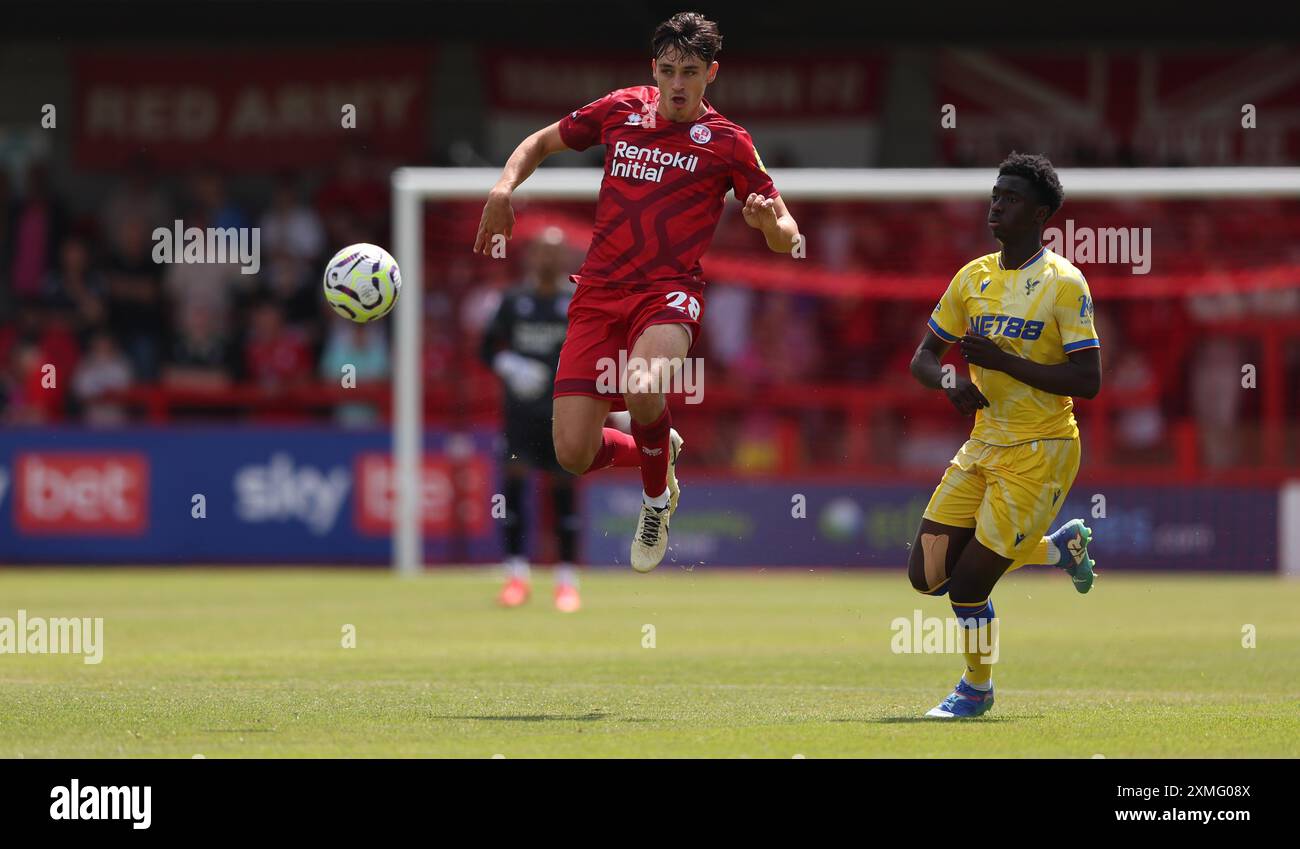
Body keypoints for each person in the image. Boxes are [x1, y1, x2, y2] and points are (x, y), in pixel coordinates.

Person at [473, 11, 799, 573]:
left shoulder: (729, 142)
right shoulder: (621, 109)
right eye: (668, 70)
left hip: (669, 294)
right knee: (571, 454)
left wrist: (767, 222)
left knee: (642, 383)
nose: (677, 84)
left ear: (711, 74)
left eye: (690, 72)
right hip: (598, 293)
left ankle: (654, 502)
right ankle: (658, 448)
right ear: (654, 68)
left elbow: (787, 235)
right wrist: (504, 187)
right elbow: (542, 142)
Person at [906, 152, 1102, 718]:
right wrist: (948, 381)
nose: (997, 205)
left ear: (1040, 214)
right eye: (995, 194)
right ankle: (1058, 548)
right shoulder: (973, 277)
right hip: (984, 441)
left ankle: (976, 689)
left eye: (1011, 198)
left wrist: (1003, 362)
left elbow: (1088, 381)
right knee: (928, 574)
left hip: (1043, 447)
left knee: (968, 587)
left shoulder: (1064, 284)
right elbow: (923, 356)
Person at [480, 228, 581, 611]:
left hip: (561, 414)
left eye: (555, 253)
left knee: (562, 493)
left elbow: (592, 348)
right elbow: (487, 349)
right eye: (542, 252)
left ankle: (566, 581)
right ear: (531, 256)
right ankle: (516, 576)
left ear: (564, 259)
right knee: (515, 492)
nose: (547, 260)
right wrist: (510, 365)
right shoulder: (513, 301)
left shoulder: (574, 301)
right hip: (519, 415)